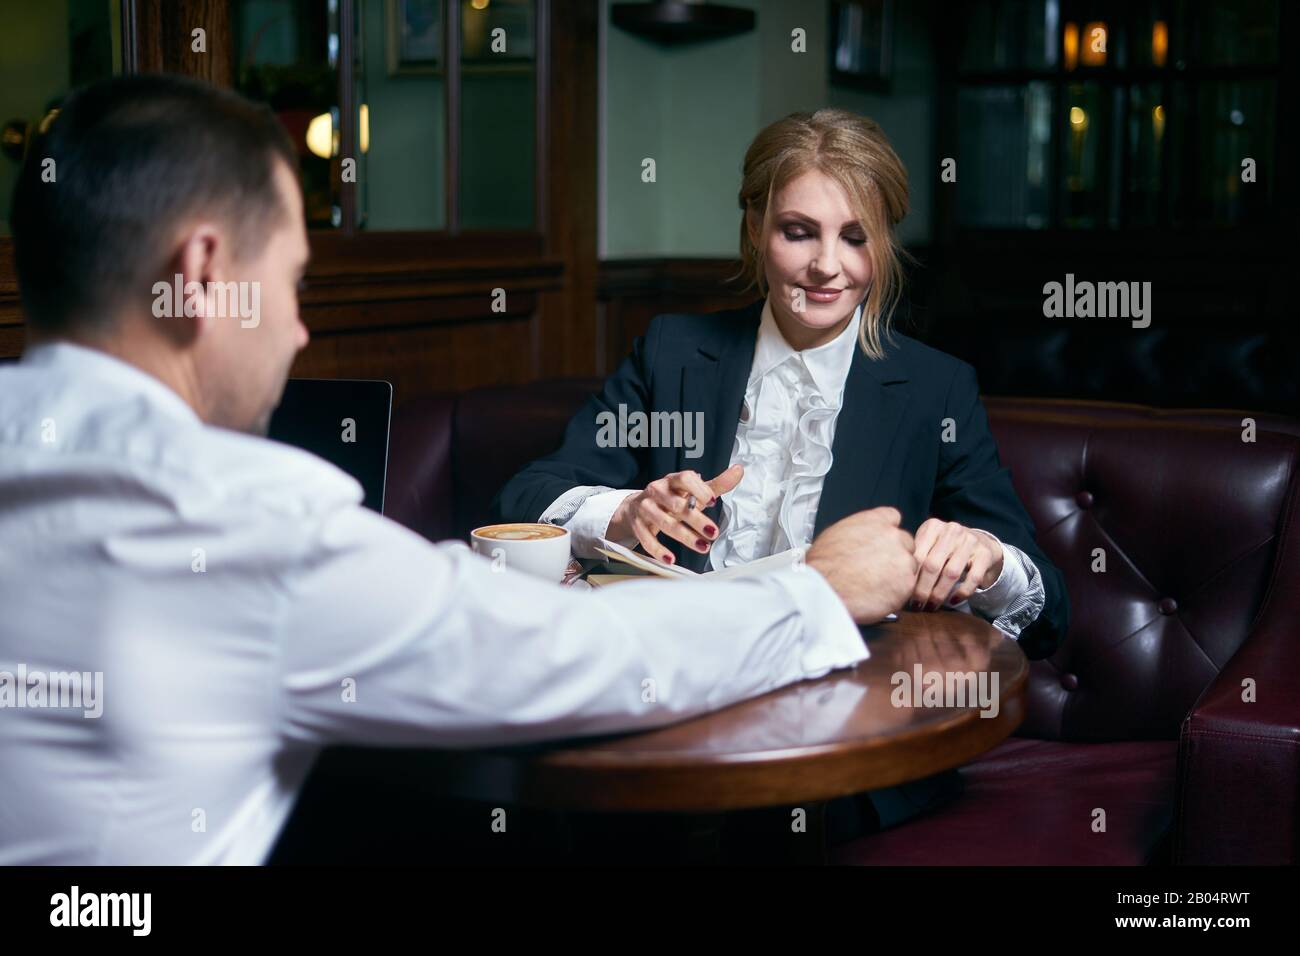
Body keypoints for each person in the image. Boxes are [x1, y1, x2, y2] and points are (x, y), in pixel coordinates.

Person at [0, 76, 918, 865]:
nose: (298, 329)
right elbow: (582, 658)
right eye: (292, 282)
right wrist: (820, 592)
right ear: (202, 271)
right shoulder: (242, 525)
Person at [497, 109, 1070, 833]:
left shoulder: (935, 389)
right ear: (753, 229)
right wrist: (623, 511)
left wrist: (987, 562)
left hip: (845, 743)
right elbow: (526, 497)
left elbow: (1047, 612)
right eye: (798, 231)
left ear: (884, 243)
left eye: (855, 236)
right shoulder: (672, 351)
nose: (828, 265)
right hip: (672, 718)